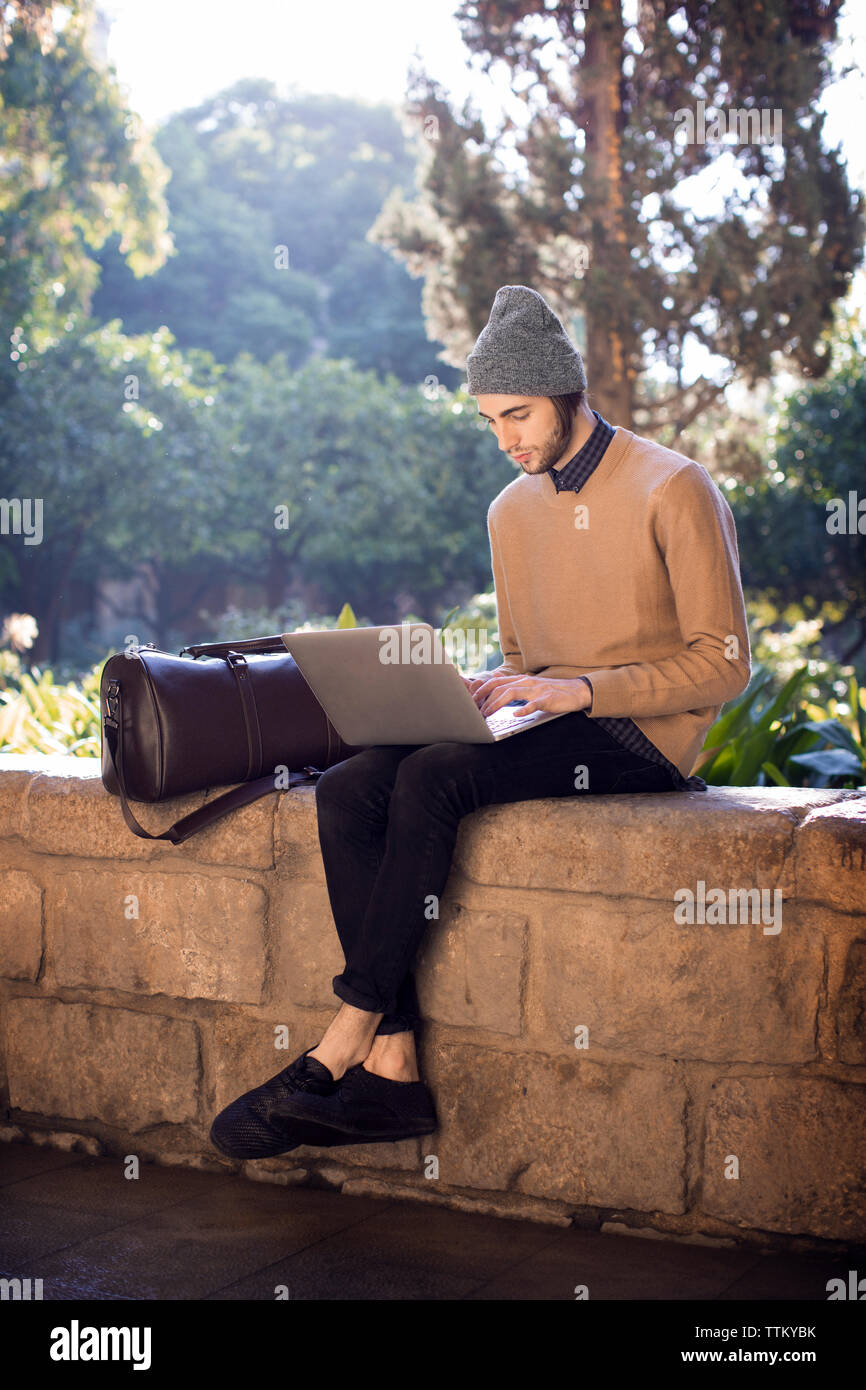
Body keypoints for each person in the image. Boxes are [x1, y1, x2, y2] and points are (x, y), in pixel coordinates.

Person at [210, 284, 752, 1160]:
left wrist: (581, 689)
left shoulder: (673, 486)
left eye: (520, 414)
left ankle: (346, 1035)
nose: (508, 439)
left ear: (568, 395)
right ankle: (393, 1070)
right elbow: (531, 659)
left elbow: (724, 664)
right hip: (548, 720)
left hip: (641, 735)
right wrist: (494, 687)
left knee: (434, 777)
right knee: (350, 789)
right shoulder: (510, 509)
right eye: (491, 421)